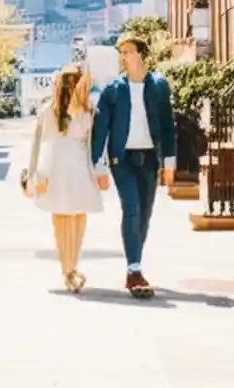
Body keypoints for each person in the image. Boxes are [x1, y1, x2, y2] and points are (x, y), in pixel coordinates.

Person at [90, 34, 176, 298]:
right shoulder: (113, 90)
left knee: (145, 214)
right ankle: (134, 270)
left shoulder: (159, 86)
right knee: (131, 209)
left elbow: (167, 126)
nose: (123, 57)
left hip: (149, 158)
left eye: (128, 51)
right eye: (121, 52)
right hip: (122, 160)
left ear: (141, 55)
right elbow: (100, 130)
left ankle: (135, 261)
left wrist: (169, 163)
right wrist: (99, 167)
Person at [23, 64, 105, 293]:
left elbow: (93, 146)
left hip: (70, 169)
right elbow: (37, 145)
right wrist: (32, 173)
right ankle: (69, 269)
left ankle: (70, 268)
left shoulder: (83, 111)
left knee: (70, 218)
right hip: (65, 169)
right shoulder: (54, 111)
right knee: (69, 218)